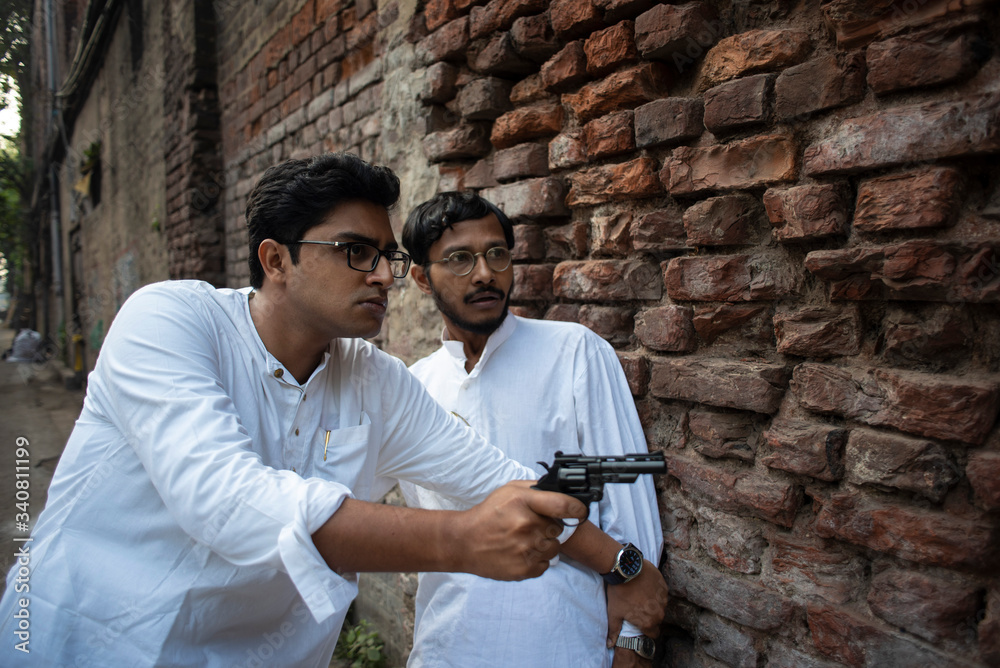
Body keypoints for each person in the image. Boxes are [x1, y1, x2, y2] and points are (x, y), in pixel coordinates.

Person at [0, 153, 597, 667]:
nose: (385, 276)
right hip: (88, 643)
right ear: (276, 260)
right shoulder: (171, 320)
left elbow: (495, 478)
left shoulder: (374, 379)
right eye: (356, 252)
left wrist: (621, 567)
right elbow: (227, 501)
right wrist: (462, 540)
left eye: (387, 255)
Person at [399, 191, 669, 667]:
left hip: (565, 646)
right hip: (446, 648)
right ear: (422, 277)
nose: (485, 274)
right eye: (459, 259)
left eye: (496, 254)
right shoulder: (413, 387)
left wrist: (634, 645)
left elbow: (631, 513)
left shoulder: (573, 353)